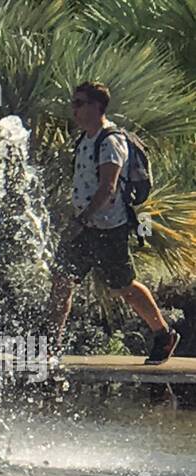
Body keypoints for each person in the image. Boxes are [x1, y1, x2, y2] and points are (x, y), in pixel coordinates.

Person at [49, 82, 179, 365]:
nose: (75, 109)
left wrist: (82, 219)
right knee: (61, 281)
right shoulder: (83, 139)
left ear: (97, 106)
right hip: (83, 228)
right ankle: (50, 345)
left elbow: (107, 188)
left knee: (124, 288)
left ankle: (163, 333)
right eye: (74, 103)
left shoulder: (110, 141)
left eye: (80, 103)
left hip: (108, 228)